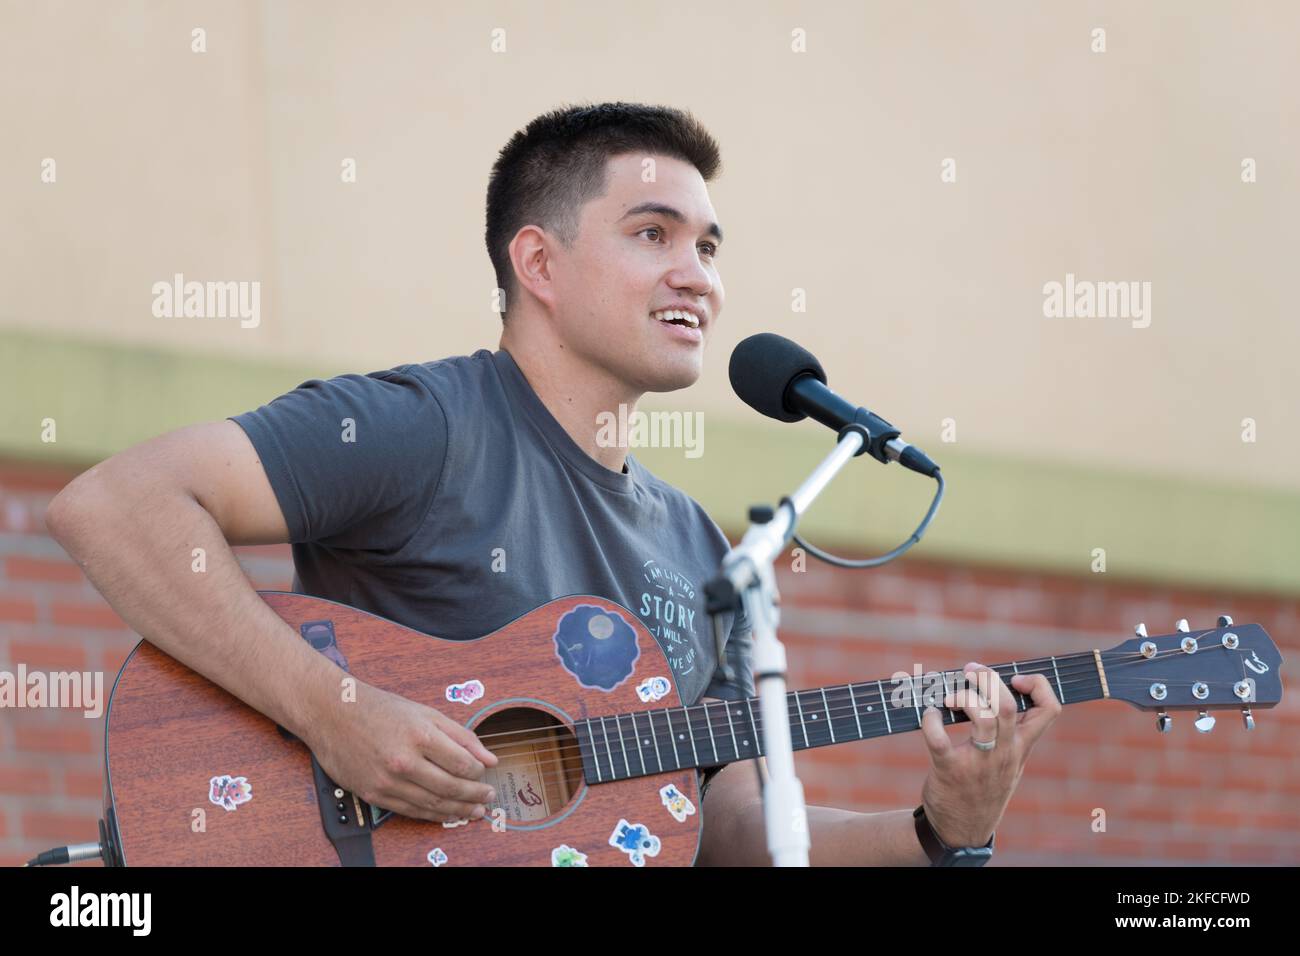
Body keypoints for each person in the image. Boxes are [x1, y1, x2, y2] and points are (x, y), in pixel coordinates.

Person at [48, 101, 1061, 866]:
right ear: (537, 261)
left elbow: (726, 827)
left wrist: (942, 828)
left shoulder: (697, 542)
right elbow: (116, 506)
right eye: (654, 234)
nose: (699, 275)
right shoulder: (424, 425)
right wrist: (337, 712)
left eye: (708, 247)